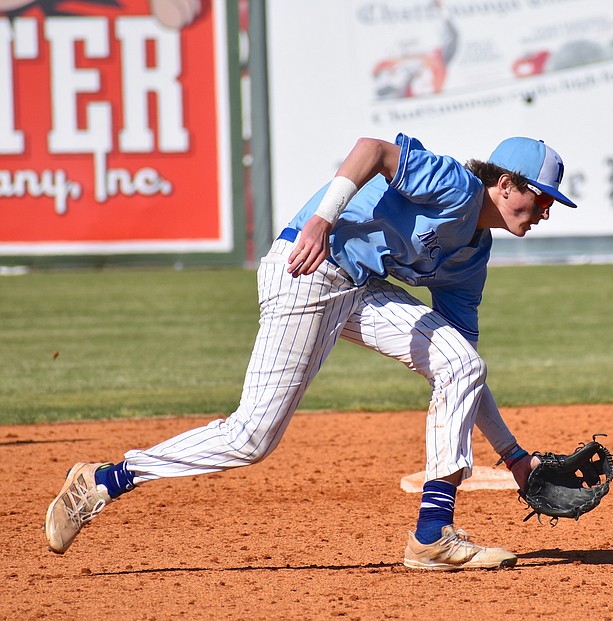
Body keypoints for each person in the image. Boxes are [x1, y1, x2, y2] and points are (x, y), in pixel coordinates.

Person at [44, 133, 578, 570]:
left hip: (358, 288)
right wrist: (321, 219)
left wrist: (515, 457)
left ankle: (432, 536)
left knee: (459, 360)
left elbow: (463, 372)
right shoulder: (457, 186)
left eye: (551, 203)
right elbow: (372, 150)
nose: (545, 211)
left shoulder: (472, 257)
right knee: (250, 438)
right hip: (308, 268)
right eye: (541, 197)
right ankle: (105, 480)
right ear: (504, 184)